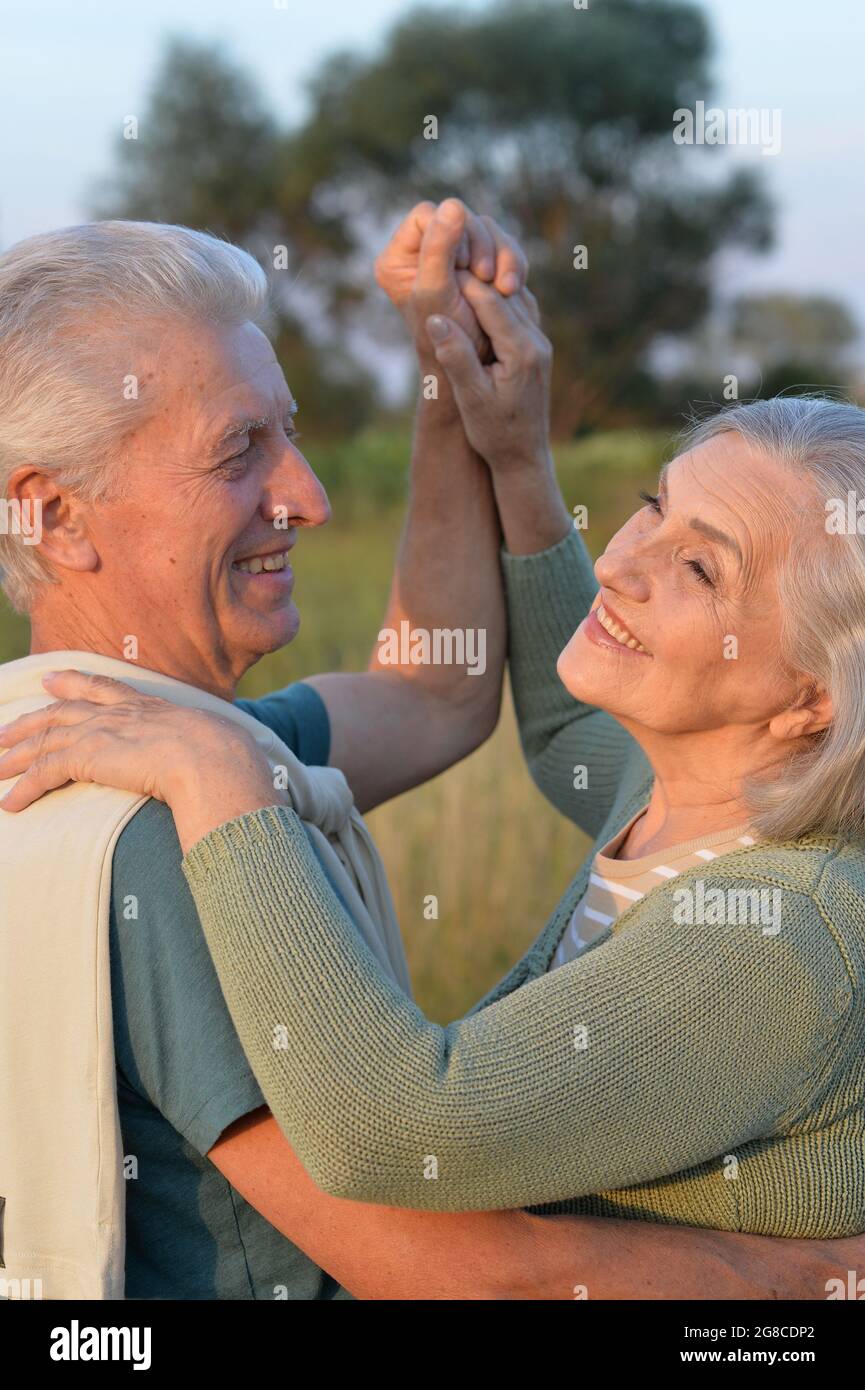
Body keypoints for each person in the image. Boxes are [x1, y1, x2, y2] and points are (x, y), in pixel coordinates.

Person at [1, 204, 862, 1300]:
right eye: (237, 451)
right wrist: (809, 1279)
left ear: (811, 702)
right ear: (59, 519)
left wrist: (453, 392)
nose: (308, 495)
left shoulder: (172, 752)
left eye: (290, 430)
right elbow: (434, 1247)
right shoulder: (165, 817)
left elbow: (436, 693)